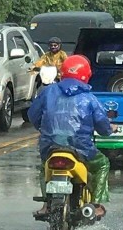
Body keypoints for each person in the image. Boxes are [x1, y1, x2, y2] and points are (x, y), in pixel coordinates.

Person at [28, 54, 112, 220]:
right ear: (86, 75)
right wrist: (107, 131)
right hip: (81, 148)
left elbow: (33, 115)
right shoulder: (89, 98)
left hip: (50, 146)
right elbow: (103, 125)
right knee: (103, 164)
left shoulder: (48, 91)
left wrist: (43, 129)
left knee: (44, 167)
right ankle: (96, 205)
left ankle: (46, 204)